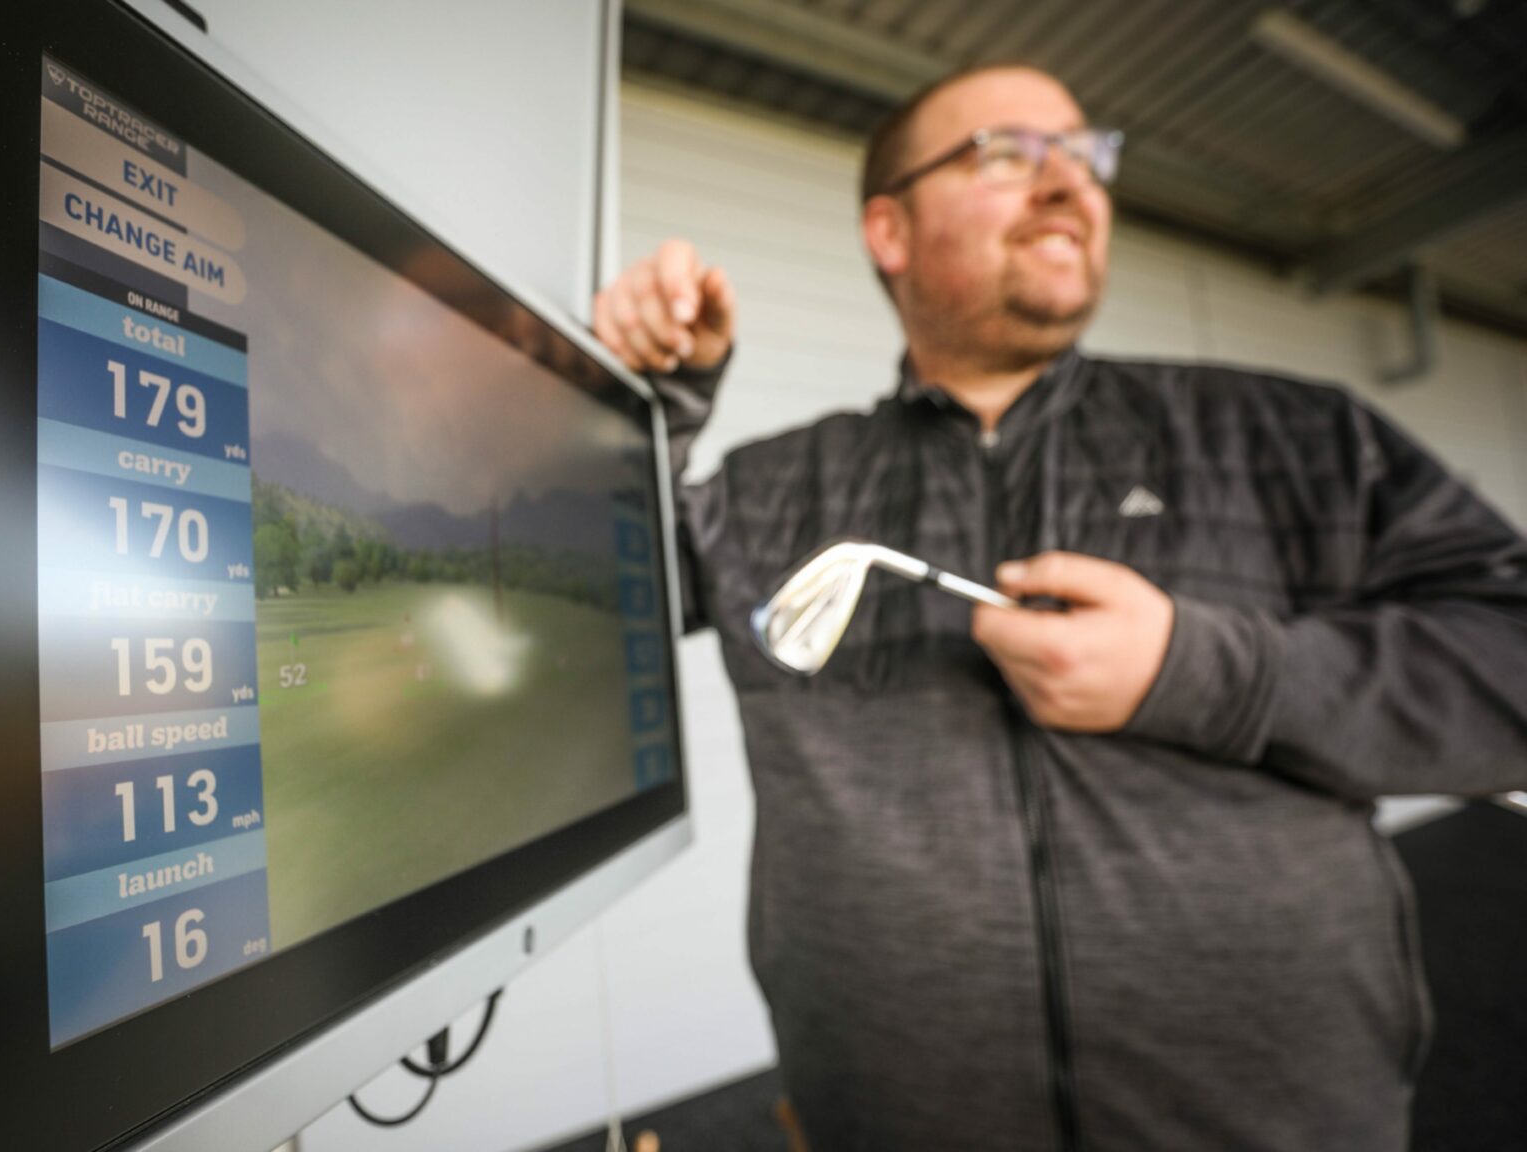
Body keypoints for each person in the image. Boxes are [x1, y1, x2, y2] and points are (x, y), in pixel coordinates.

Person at [591, 65, 1527, 1151]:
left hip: (1283, 1120)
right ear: (889, 231)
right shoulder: (765, 493)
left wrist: (1198, 668)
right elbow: (562, 602)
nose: (1066, 183)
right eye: (1006, 153)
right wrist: (648, 411)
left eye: (1086, 157)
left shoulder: (1290, 437)